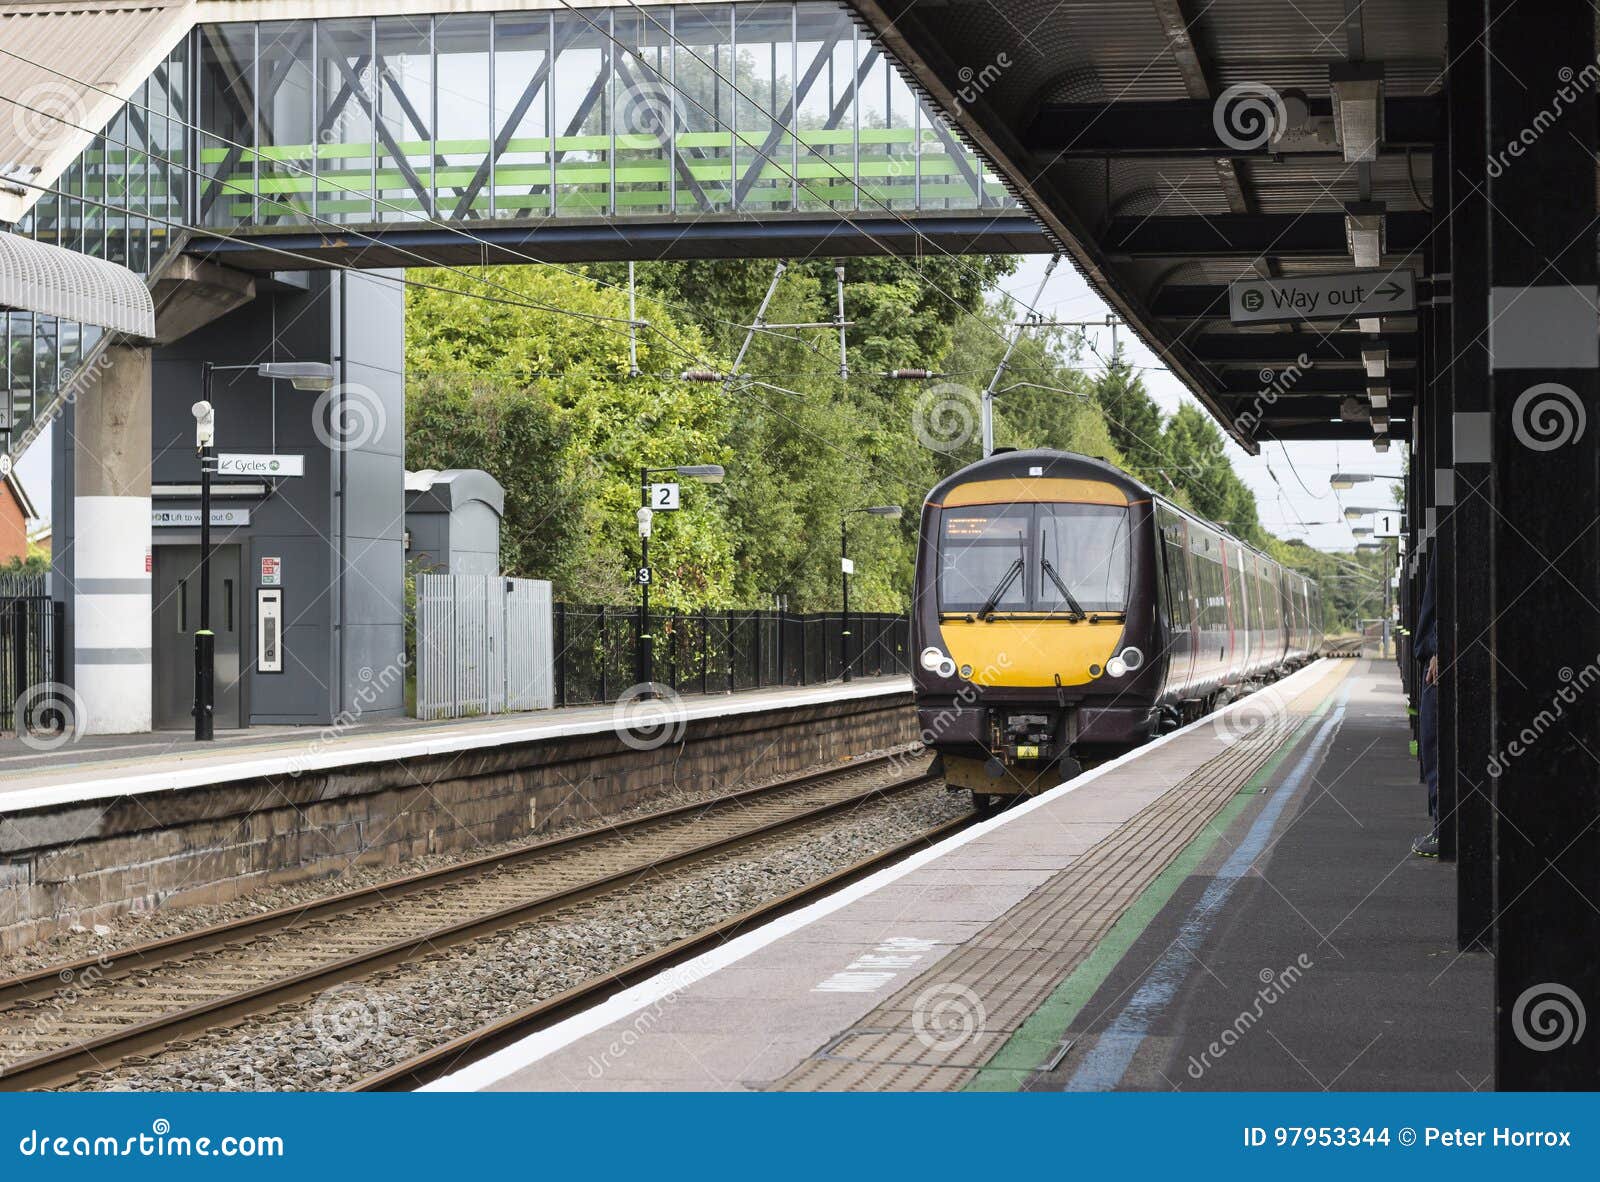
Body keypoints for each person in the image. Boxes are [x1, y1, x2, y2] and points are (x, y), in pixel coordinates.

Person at [1411, 552, 1439, 858]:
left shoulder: (1453, 534)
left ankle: (1445, 826)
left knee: (1435, 742)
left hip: (1440, 661)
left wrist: (1436, 647)